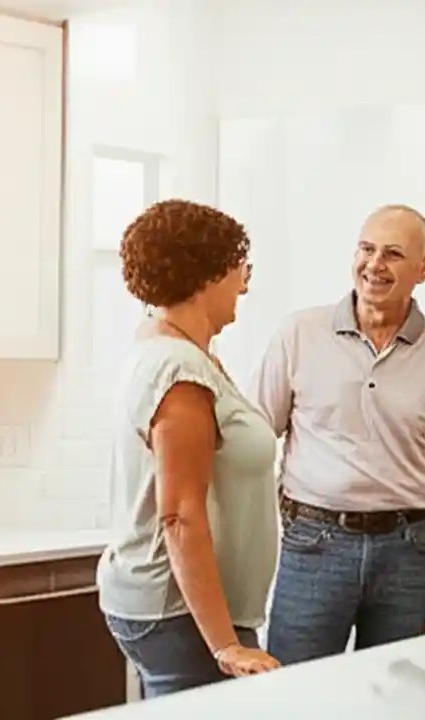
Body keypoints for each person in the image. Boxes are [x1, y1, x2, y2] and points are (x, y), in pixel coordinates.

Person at [246, 204, 425, 665]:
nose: (375, 265)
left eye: (393, 254)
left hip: (414, 551)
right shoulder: (299, 333)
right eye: (367, 249)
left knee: (404, 700)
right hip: (314, 544)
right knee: (290, 698)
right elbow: (255, 441)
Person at [97, 199, 282, 697]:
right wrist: (225, 646)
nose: (244, 284)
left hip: (177, 608)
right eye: (238, 268)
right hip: (184, 615)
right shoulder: (179, 371)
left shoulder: (173, 352)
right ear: (207, 275)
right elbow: (179, 515)